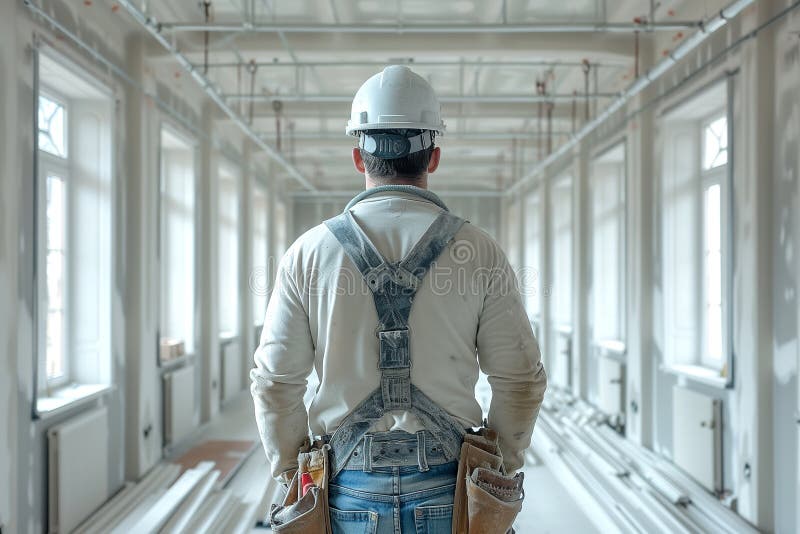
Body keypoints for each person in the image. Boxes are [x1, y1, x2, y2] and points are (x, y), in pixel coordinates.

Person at [251, 65, 547, 533]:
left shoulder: (308, 253)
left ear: (357, 156)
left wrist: (296, 477)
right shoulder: (480, 251)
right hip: (450, 489)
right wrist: (497, 471)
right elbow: (520, 380)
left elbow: (275, 383)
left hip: (347, 490)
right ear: (433, 156)